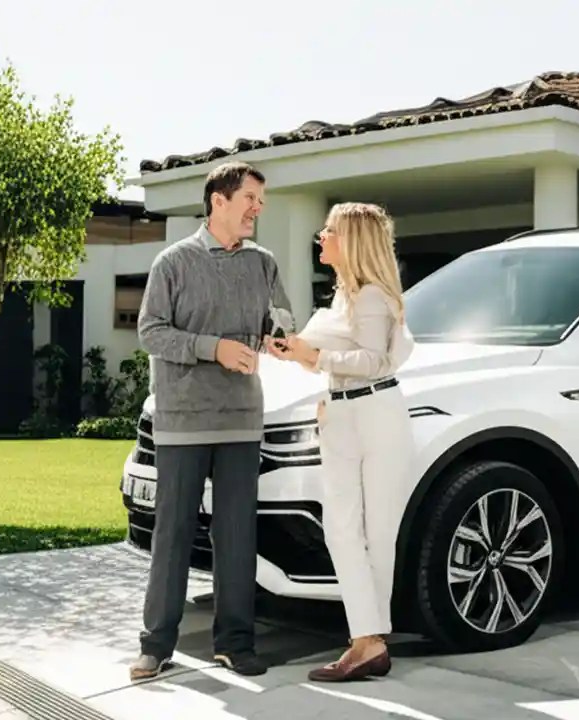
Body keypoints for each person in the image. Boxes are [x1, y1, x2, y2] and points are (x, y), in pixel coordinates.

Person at [131, 161, 294, 681]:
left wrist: (279, 334)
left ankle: (235, 643)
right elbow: (151, 332)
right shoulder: (173, 262)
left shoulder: (263, 263)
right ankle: (156, 645)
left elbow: (283, 316)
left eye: (261, 200)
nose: (257, 208)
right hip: (182, 419)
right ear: (218, 201)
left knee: (237, 535)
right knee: (173, 534)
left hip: (242, 418)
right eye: (250, 197)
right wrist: (213, 349)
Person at [266, 202, 415, 683]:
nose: (321, 237)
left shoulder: (372, 297)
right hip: (345, 413)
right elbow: (331, 360)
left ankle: (367, 643)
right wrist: (296, 353)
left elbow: (373, 360)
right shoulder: (343, 298)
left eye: (329, 231)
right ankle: (368, 640)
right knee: (343, 529)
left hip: (374, 412)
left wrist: (317, 353)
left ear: (351, 240)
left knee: (373, 532)